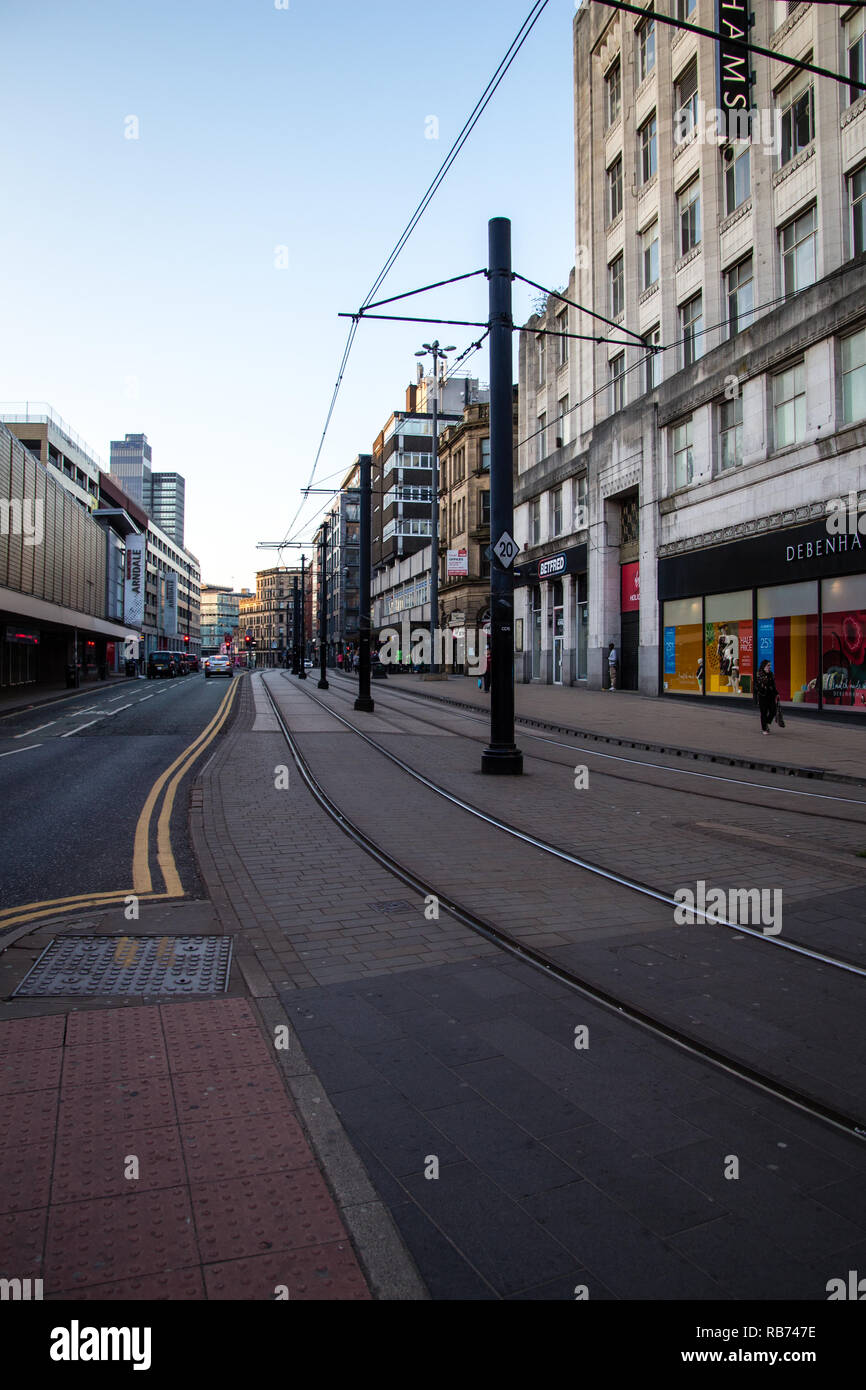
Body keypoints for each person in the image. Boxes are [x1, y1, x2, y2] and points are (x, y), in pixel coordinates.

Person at [755, 659, 779, 735]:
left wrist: (776, 693)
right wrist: (763, 684)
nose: (769, 667)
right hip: (763, 696)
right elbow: (758, 686)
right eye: (768, 665)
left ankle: (767, 722)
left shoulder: (771, 674)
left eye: (770, 665)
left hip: (771, 695)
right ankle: (764, 728)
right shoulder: (759, 674)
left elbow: (773, 685)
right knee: (764, 712)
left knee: (773, 710)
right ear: (764, 666)